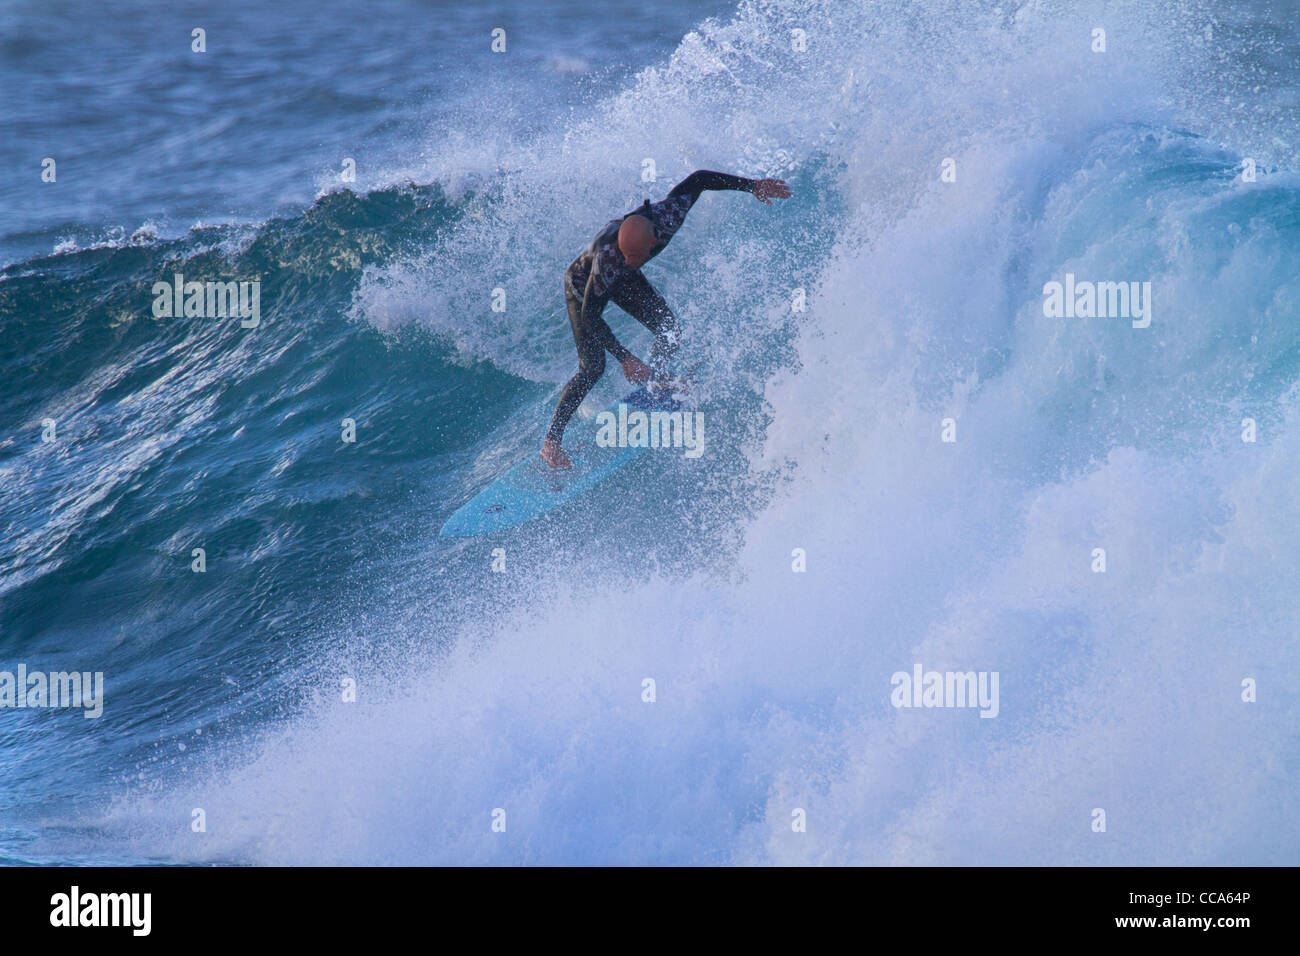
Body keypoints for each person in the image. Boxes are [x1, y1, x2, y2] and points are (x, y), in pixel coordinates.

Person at [540, 170, 792, 469]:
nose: (631, 261)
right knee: (593, 366)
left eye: (635, 257)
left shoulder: (668, 216)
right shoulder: (611, 258)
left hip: (620, 278)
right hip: (585, 286)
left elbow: (698, 180)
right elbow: (590, 317)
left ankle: (657, 383)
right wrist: (625, 357)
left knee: (669, 329)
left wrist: (752, 186)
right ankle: (551, 443)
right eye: (626, 256)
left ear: (654, 240)